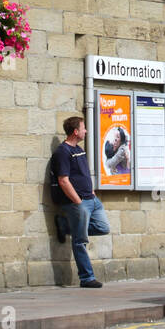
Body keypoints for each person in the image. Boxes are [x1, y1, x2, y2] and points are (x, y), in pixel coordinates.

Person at [50, 115, 110, 287]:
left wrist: (91, 192)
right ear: (76, 132)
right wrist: (77, 201)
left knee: (103, 227)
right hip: (79, 202)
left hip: (92, 199)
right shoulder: (63, 152)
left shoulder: (79, 150)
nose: (86, 131)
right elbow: (63, 180)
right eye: (83, 128)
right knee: (80, 240)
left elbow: (83, 174)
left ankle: (64, 226)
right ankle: (87, 278)